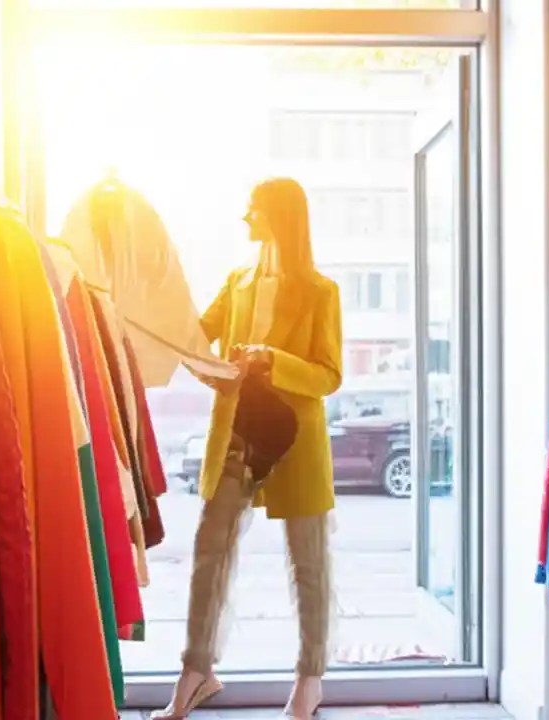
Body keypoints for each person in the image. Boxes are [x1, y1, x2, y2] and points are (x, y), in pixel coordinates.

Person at [153, 178, 344, 719]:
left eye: (253, 210)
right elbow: (193, 333)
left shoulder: (320, 291)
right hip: (236, 430)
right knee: (209, 547)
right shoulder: (236, 281)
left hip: (292, 437)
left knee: (308, 559)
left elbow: (329, 376)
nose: (244, 219)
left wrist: (272, 359)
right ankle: (197, 670)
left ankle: (310, 678)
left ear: (279, 217)